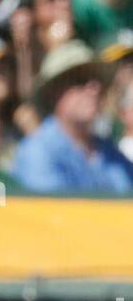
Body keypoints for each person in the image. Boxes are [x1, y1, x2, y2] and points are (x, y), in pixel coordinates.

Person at [12, 41, 133, 193]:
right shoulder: (37, 152)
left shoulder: (109, 151)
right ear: (53, 92)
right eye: (80, 80)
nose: (94, 88)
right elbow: (51, 213)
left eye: (97, 80)